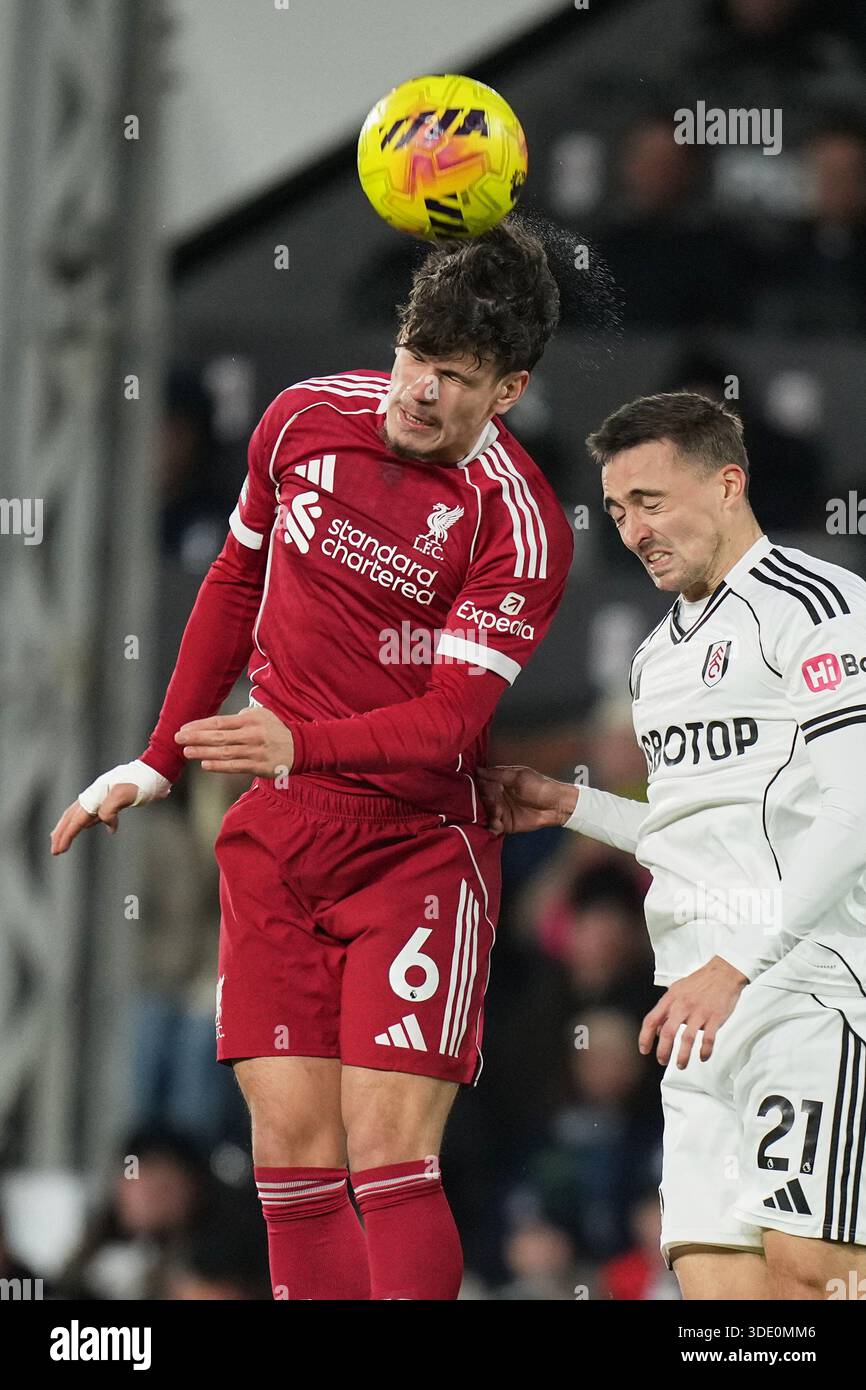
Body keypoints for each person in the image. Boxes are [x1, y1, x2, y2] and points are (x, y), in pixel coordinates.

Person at [49, 218, 574, 1301]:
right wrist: (157, 757)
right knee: (288, 1152)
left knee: (385, 1148)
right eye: (413, 361)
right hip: (278, 833)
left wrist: (302, 741)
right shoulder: (301, 418)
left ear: (507, 390)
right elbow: (234, 586)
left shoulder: (518, 525)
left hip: (414, 849)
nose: (420, 394)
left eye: (456, 378)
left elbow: (446, 723)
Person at [480, 390, 866, 1300]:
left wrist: (736, 964)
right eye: (617, 511)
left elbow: (853, 807)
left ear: (729, 484)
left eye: (650, 501)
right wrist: (572, 806)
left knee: (815, 1273)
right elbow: (694, 832)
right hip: (695, 1010)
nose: (633, 530)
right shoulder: (656, 661)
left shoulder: (819, 606)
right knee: (715, 1286)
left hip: (804, 990)